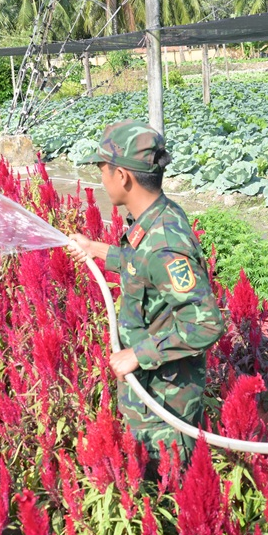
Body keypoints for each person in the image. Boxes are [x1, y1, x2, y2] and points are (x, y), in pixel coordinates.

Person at [66, 120, 223, 462]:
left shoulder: (164, 242)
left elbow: (206, 323)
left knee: (170, 483)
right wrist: (96, 248)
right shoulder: (154, 218)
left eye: (102, 169)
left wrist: (138, 355)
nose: (101, 178)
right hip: (148, 386)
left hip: (165, 398)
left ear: (122, 176)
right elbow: (143, 265)